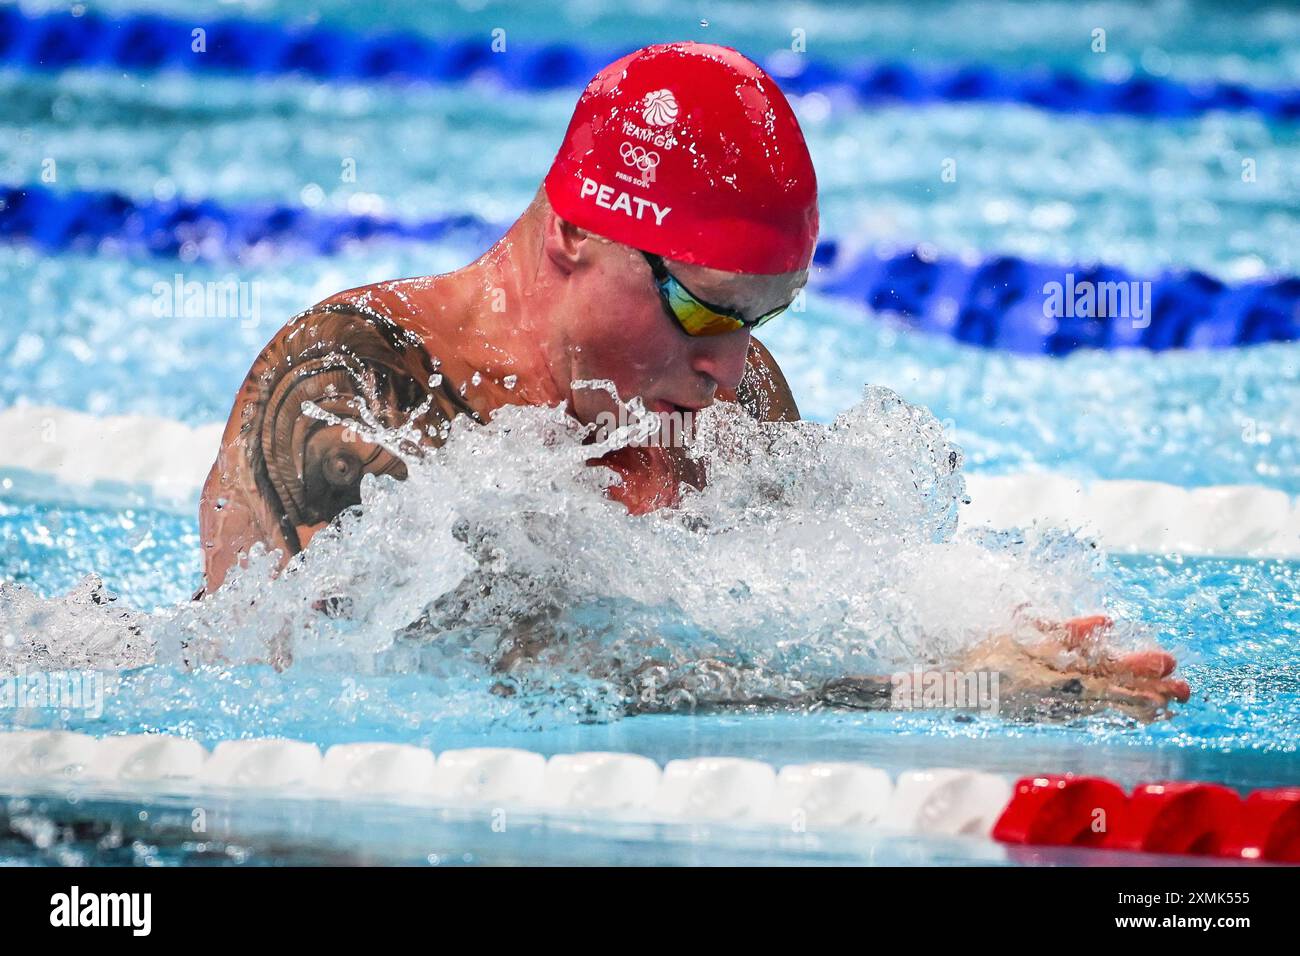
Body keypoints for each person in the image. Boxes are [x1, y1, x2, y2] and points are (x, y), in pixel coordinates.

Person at [197, 42, 1189, 716]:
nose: (729, 364)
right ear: (575, 232)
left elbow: (802, 614)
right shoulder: (354, 386)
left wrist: (996, 634)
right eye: (703, 305)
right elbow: (477, 682)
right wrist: (936, 688)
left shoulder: (731, 400)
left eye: (762, 319)